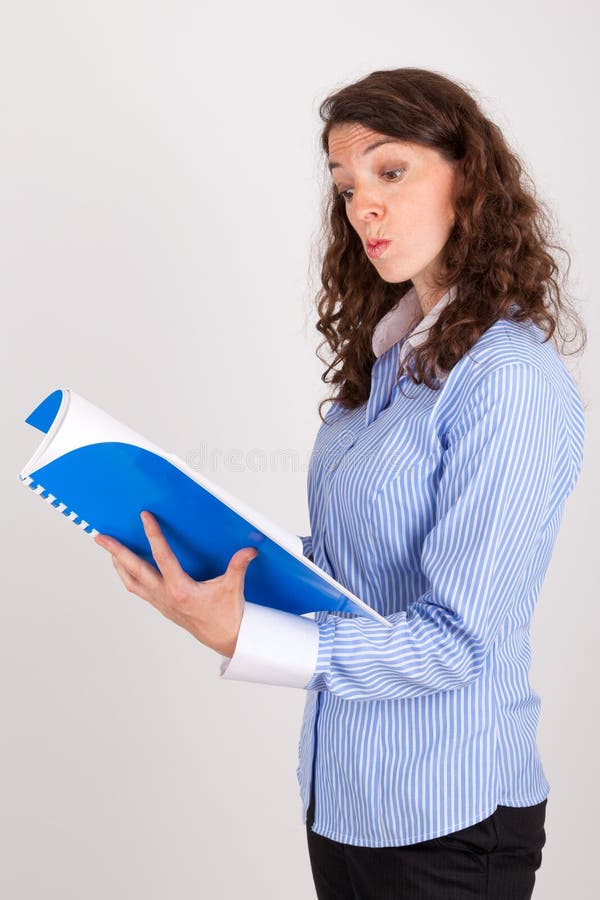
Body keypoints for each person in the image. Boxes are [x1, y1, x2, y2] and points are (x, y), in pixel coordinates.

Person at [95, 67, 586, 899]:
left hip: (449, 816)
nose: (364, 205)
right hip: (344, 801)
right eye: (346, 184)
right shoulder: (388, 367)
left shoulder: (509, 378)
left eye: (391, 172)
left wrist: (245, 639)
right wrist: (216, 559)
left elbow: (459, 640)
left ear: (469, 178)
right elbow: (352, 570)